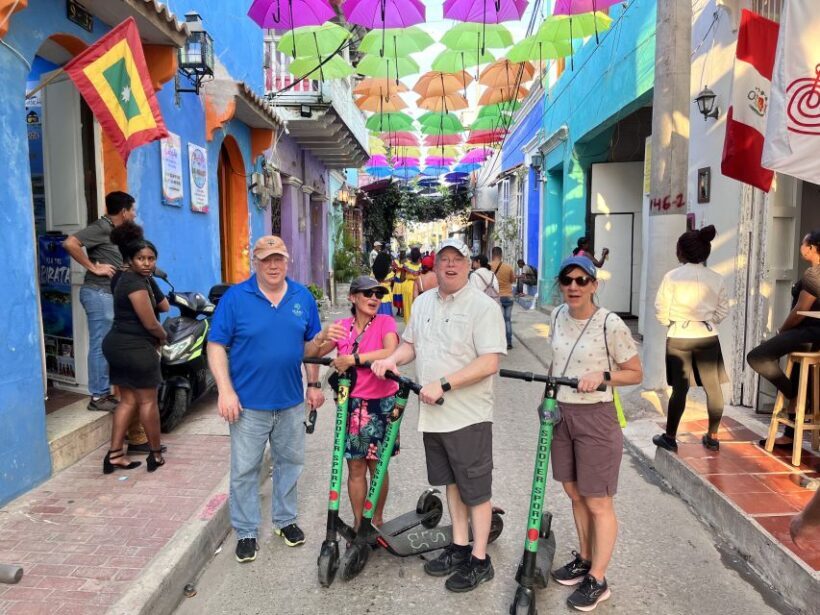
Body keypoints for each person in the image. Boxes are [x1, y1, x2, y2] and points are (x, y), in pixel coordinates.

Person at [372, 238, 506, 593]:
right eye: (444, 259)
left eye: (456, 260)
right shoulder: (423, 302)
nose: (449, 265)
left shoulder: (483, 307)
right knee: (451, 484)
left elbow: (490, 361)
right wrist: (391, 359)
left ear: (468, 264)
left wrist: (444, 383)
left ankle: (480, 559)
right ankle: (459, 546)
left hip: (468, 415)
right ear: (435, 265)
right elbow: (411, 345)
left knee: (475, 490)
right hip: (433, 416)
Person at [208, 235, 325, 564]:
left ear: (287, 261)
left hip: (290, 401)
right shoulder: (235, 298)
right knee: (245, 469)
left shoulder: (302, 297)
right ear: (254, 263)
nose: (273, 265)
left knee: (290, 463)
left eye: (279, 259)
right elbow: (216, 345)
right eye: (265, 259)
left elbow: (311, 348)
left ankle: (284, 520)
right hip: (247, 406)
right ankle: (246, 531)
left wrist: (313, 385)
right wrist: (225, 390)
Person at [548, 255, 642, 612]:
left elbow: (635, 373)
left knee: (598, 500)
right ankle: (585, 558)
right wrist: (547, 403)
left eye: (581, 280)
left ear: (594, 285)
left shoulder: (610, 324)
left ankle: (598, 579)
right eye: (567, 280)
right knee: (574, 492)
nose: (573, 286)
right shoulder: (557, 316)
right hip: (561, 413)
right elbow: (557, 363)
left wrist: (603, 376)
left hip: (597, 417)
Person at [313, 276, 400, 529]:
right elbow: (311, 353)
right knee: (355, 466)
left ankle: (377, 518)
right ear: (352, 297)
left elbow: (389, 352)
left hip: (382, 403)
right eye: (367, 293)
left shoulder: (385, 322)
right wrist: (321, 336)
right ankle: (359, 522)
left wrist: (352, 359)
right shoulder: (342, 326)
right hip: (352, 406)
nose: (374, 298)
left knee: (377, 465)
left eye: (378, 294)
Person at [652, 226, 729, 453]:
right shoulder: (716, 278)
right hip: (708, 337)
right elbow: (722, 310)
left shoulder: (671, 277)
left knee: (679, 389)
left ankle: (670, 436)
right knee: (713, 388)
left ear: (682, 252)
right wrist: (707, 321)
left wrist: (672, 322)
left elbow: (661, 309)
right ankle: (713, 437)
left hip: (679, 338)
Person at [101, 223, 169, 474]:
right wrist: (163, 337)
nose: (147, 263)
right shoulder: (136, 283)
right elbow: (150, 322)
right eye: (141, 258)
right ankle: (155, 454)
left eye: (151, 259)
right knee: (147, 402)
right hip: (135, 347)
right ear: (130, 259)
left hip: (117, 345)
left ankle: (115, 455)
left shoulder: (128, 278)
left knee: (127, 400)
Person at [63, 191, 136, 412]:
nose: (134, 214)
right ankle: (98, 396)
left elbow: (113, 257)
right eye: (132, 210)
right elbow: (70, 243)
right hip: (97, 293)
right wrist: (94, 267)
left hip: (107, 293)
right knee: (100, 345)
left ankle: (103, 392)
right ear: (123, 212)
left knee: (107, 344)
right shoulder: (102, 227)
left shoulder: (114, 231)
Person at [747, 230, 820, 449]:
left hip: (809, 333)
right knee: (797, 374)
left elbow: (800, 311)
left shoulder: (813, 274)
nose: (801, 247)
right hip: (811, 337)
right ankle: (789, 433)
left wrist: (782, 330)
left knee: (757, 357)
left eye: (803, 243)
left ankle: (794, 394)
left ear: (811, 247)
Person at [490, 246, 516, 349]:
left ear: (492, 255)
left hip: (496, 297)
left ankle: (498, 342)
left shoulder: (488, 266)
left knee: (497, 321)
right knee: (507, 320)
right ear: (501, 255)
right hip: (508, 296)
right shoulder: (508, 267)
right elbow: (512, 280)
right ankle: (509, 342)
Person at [400, 247, 423, 324]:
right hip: (419, 286)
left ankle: (409, 325)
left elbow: (401, 279)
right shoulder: (421, 266)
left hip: (407, 287)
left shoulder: (406, 265)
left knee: (408, 307)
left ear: (410, 256)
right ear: (419, 256)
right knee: (418, 307)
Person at [371, 251, 395, 316]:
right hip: (386, 298)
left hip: (375, 298)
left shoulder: (373, 272)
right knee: (385, 320)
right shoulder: (390, 273)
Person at [392, 249, 406, 318]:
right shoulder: (406, 262)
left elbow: (393, 269)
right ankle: (402, 311)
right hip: (403, 280)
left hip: (398, 280)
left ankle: (399, 311)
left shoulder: (396, 262)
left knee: (398, 296)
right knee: (402, 296)